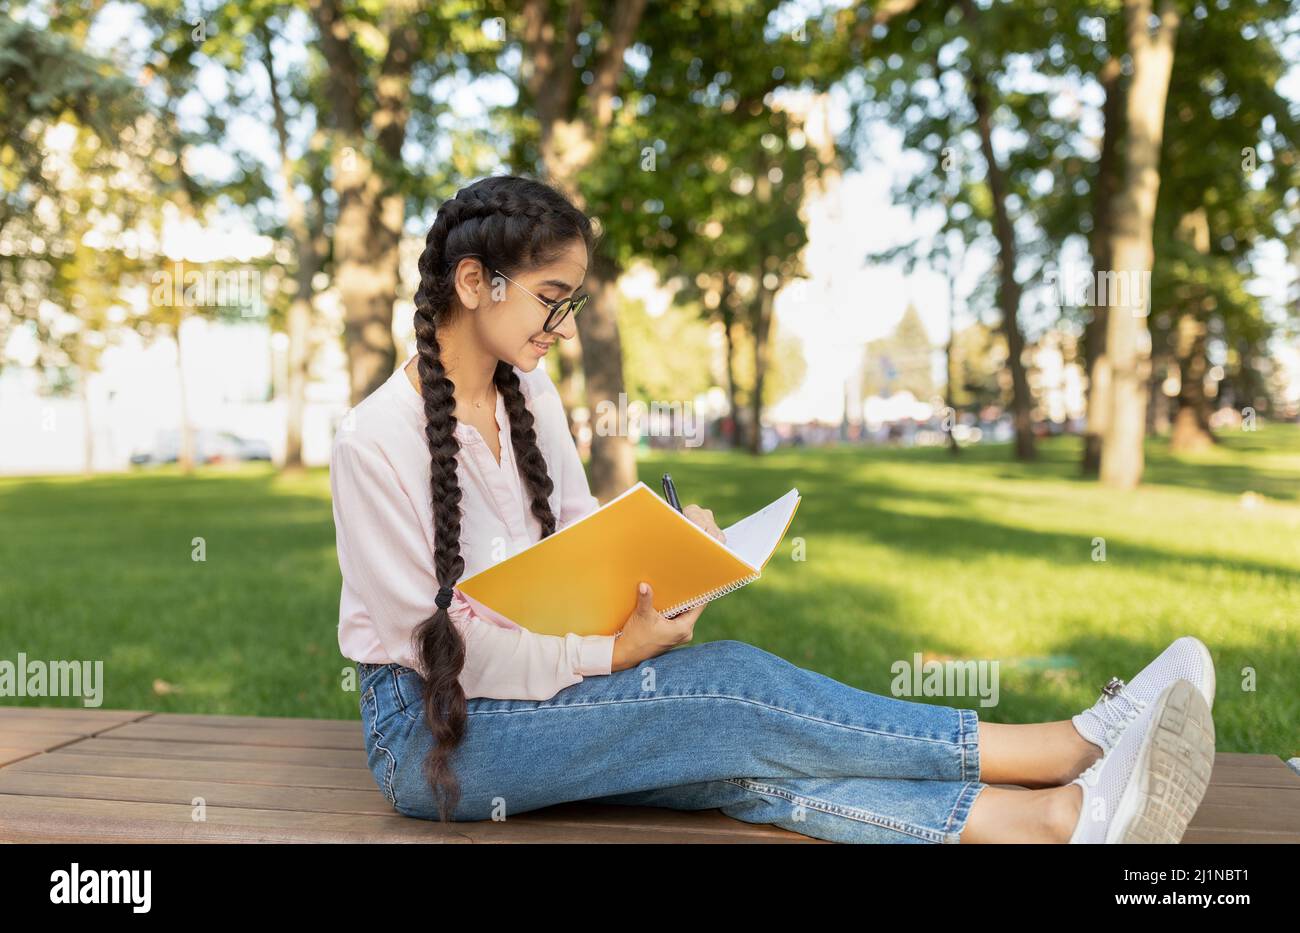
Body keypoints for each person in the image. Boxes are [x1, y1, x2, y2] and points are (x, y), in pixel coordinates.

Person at [329, 174, 1216, 844]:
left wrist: (666, 557)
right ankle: (1064, 748)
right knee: (731, 691)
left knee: (734, 752)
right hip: (435, 734)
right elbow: (436, 648)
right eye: (550, 302)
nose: (560, 329)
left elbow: (573, 548)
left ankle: (1058, 821)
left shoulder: (533, 398)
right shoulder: (373, 442)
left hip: (542, 688)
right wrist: (610, 651)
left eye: (572, 306)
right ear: (476, 281)